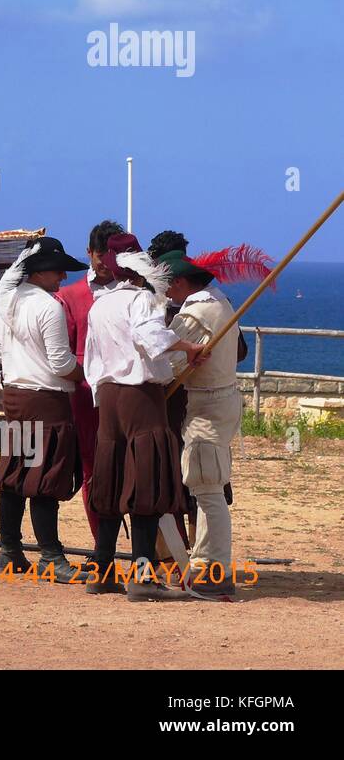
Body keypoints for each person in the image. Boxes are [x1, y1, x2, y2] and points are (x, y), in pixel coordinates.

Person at [83, 234, 206, 600]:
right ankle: (142, 572)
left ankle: (103, 569)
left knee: (112, 481)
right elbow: (150, 336)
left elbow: (92, 361)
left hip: (107, 398)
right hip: (139, 395)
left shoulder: (100, 305)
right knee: (146, 483)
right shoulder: (141, 300)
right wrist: (190, 347)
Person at [0, 237, 88, 584]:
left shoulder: (6, 299)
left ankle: (10, 550)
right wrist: (87, 373)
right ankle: (50, 555)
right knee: (46, 477)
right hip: (46, 399)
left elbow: (1, 352)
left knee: (15, 474)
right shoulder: (48, 307)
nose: (62, 275)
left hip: (15, 394)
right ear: (40, 270)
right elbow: (61, 363)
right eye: (58, 269)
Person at [158, 250, 242, 599]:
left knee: (207, 488)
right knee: (211, 485)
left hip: (206, 404)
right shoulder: (220, 300)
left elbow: (166, 364)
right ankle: (208, 564)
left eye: (168, 288)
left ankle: (213, 567)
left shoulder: (195, 313)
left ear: (179, 282)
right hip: (222, 399)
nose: (167, 296)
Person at [56, 219, 124, 542]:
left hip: (125, 393)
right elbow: (64, 350)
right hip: (84, 396)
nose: (106, 265)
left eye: (112, 257)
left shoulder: (131, 292)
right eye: (101, 257)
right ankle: (102, 546)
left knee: (129, 468)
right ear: (89, 254)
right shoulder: (69, 296)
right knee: (92, 471)